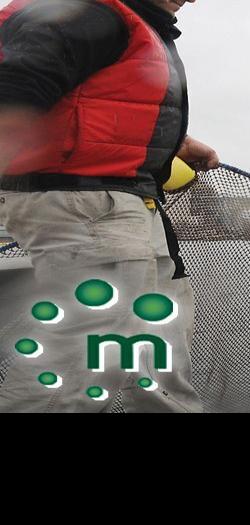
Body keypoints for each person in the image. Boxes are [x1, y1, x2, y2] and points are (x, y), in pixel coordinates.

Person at [0, 0, 217, 412]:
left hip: (129, 201)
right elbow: (14, 92)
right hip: (85, 204)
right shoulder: (90, 11)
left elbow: (94, 103)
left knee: (158, 332)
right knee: (86, 348)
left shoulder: (137, 22)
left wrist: (174, 142)